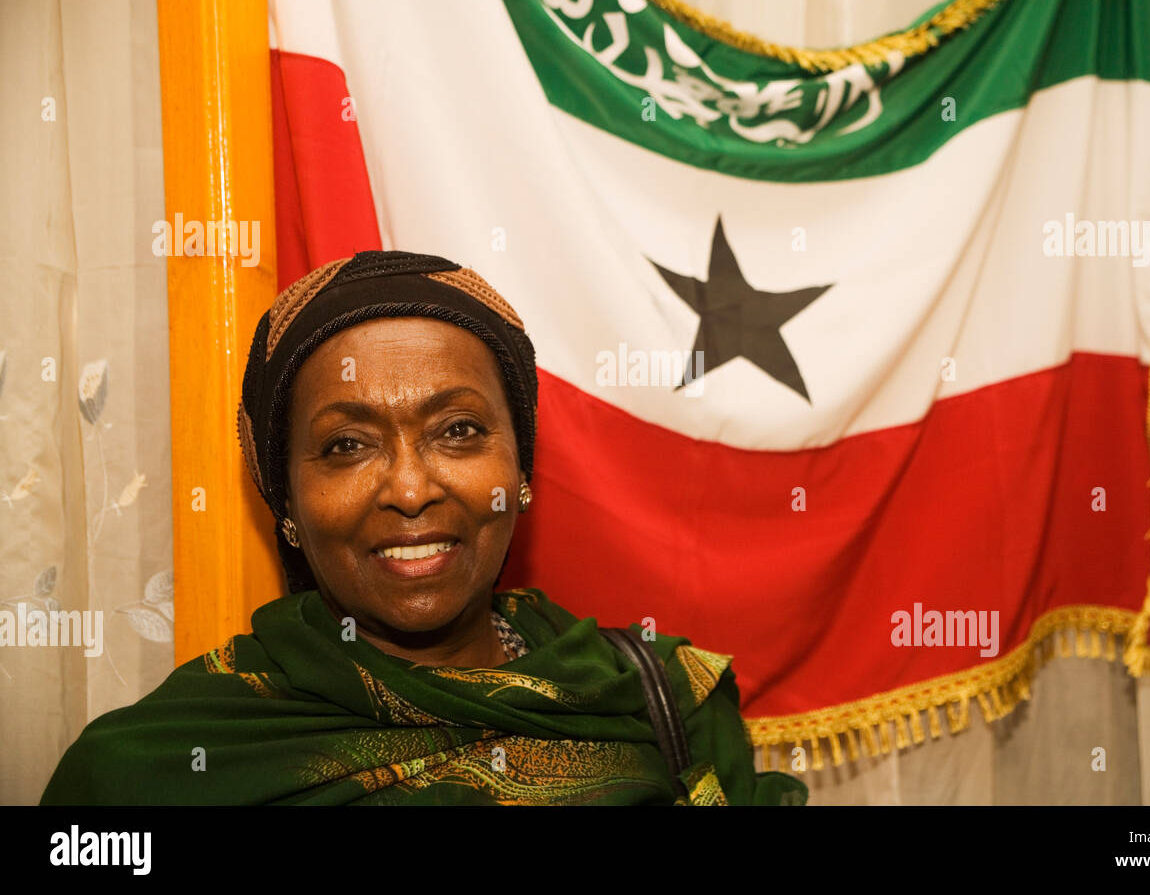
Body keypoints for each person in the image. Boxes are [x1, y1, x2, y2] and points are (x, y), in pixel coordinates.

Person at [40, 249, 808, 805]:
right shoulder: (152, 770)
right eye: (347, 446)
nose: (409, 488)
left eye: (459, 431)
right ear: (286, 507)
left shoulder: (663, 700)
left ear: (523, 471)